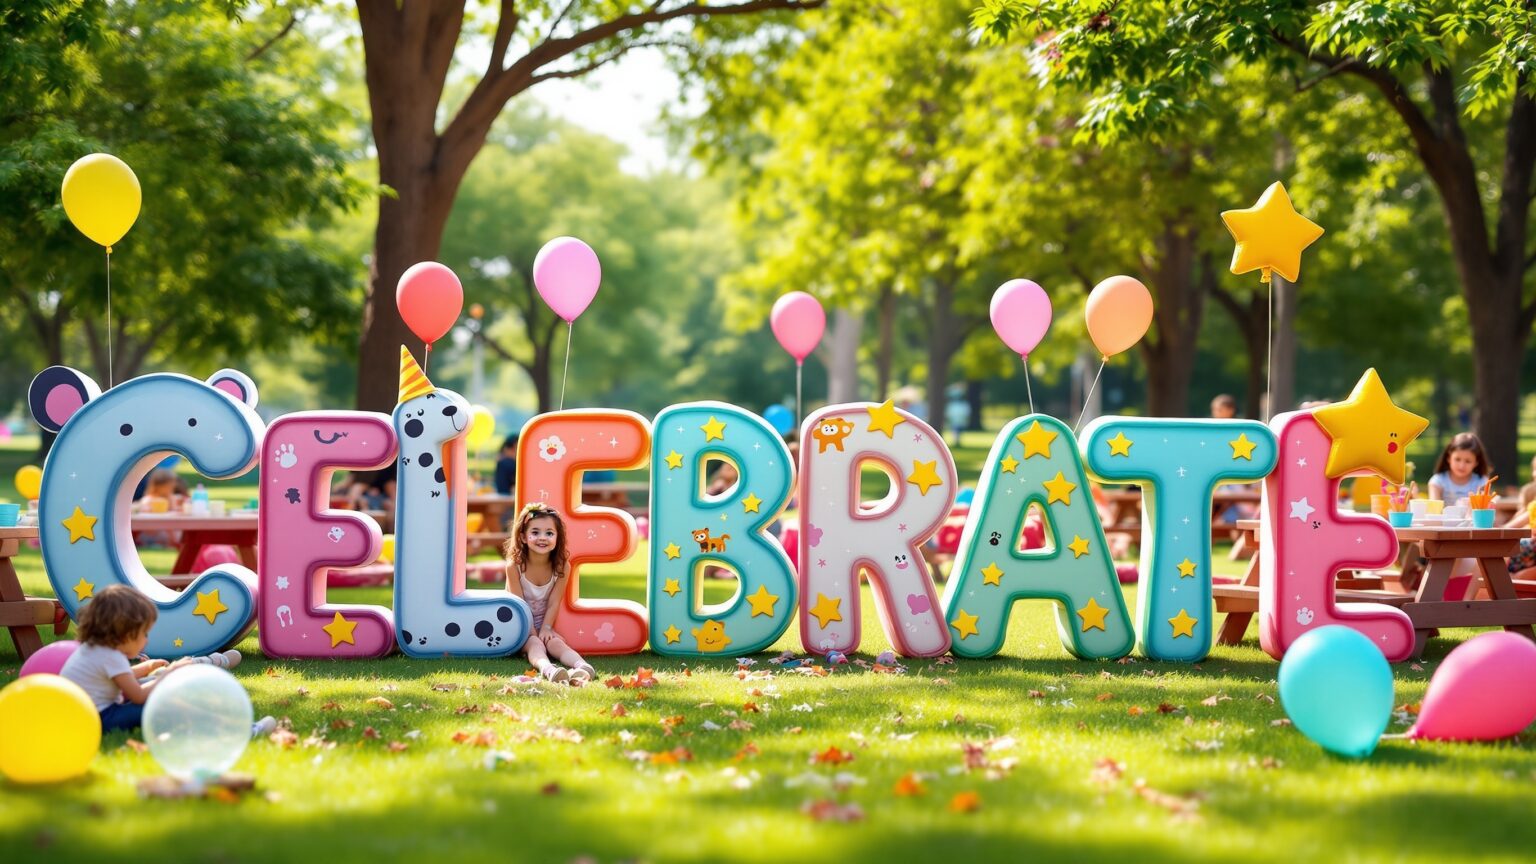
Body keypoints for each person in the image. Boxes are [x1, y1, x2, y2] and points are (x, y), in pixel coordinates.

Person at [59, 585, 274, 735]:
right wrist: (172, 672)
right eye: (143, 634)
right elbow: (138, 695)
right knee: (166, 702)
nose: (145, 641)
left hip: (84, 716)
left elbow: (119, 679)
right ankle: (244, 731)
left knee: (164, 691)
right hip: (101, 719)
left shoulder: (95, 649)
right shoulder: (111, 656)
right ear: (124, 634)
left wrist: (148, 667)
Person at [503, 503, 595, 684]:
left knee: (555, 643)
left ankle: (582, 666)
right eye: (535, 532)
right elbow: (519, 605)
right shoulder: (515, 566)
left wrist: (546, 628)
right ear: (522, 537)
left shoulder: (561, 566)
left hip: (544, 621)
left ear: (557, 537)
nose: (542, 538)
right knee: (536, 644)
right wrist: (532, 632)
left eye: (549, 533)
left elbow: (554, 602)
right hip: (520, 623)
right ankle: (549, 670)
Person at [1428, 432, 1492, 503]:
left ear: (1476, 462)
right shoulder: (1437, 482)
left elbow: (1485, 509)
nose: (1462, 466)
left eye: (1468, 461)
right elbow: (1434, 510)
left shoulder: (1482, 482)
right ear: (1449, 458)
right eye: (1457, 459)